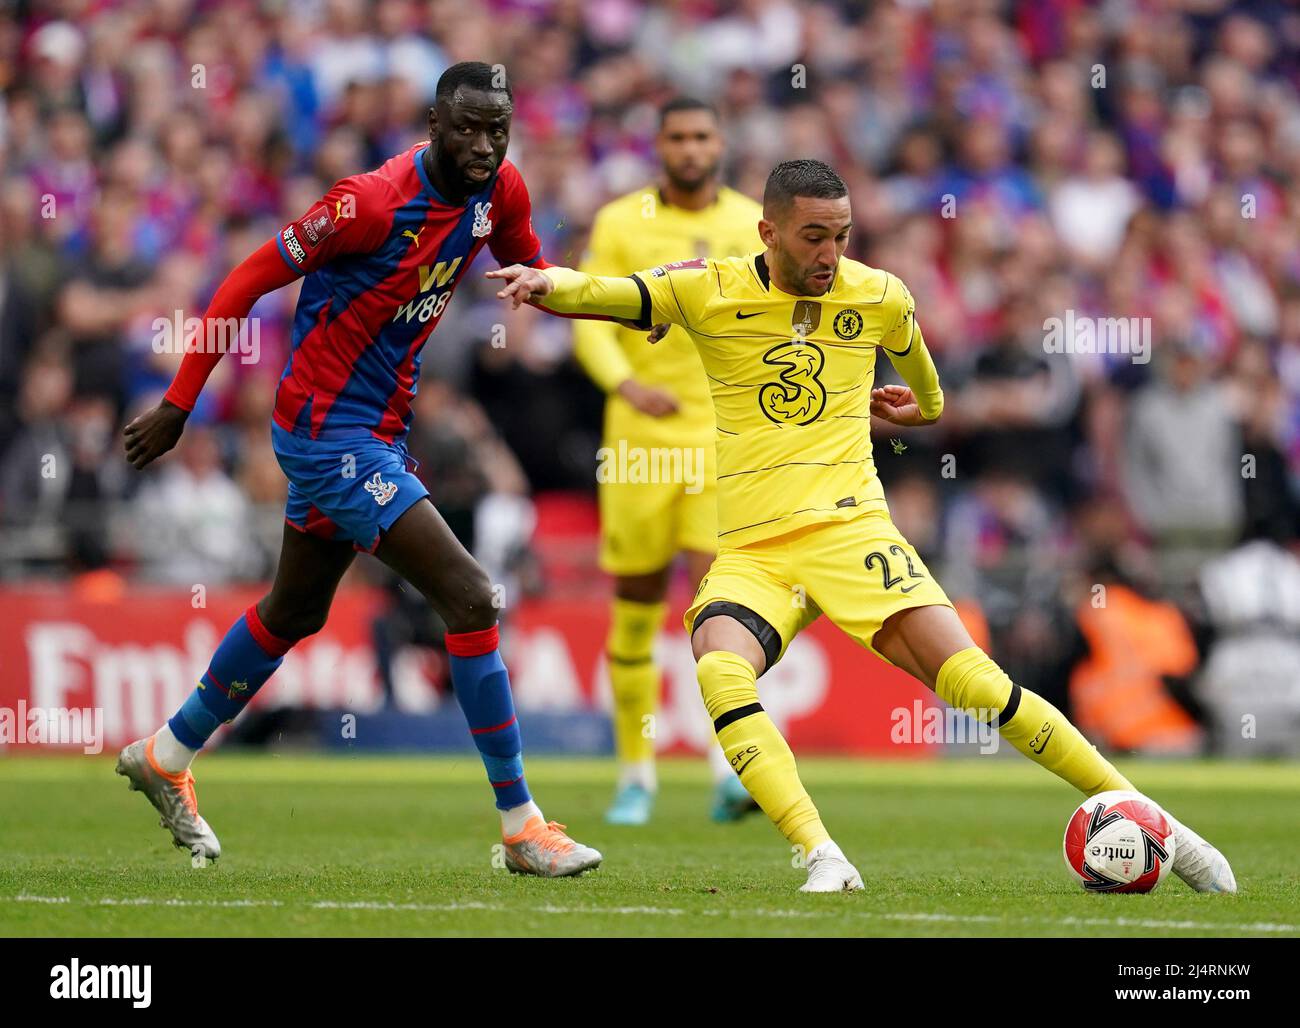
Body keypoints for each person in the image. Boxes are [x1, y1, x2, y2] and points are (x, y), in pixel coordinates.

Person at [487, 158, 1237, 894]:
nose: (830, 254)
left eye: (841, 235)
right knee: (718, 666)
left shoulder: (878, 295)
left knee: (977, 683)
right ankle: (824, 857)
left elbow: (930, 383)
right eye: (813, 236)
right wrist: (542, 281)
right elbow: (606, 293)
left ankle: (1163, 824)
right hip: (754, 550)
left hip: (853, 533)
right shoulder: (706, 290)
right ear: (768, 231)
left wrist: (926, 408)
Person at [117, 62, 601, 878]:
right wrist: (180, 400)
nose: (485, 144)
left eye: (499, 127)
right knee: (473, 596)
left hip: (376, 429)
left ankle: (166, 754)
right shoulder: (367, 203)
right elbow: (245, 280)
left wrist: (635, 305)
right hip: (323, 430)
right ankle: (522, 826)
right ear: (434, 121)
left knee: (293, 612)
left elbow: (533, 280)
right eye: (469, 127)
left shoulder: (502, 191)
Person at [573, 96, 763, 825]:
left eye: (702, 136)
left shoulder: (752, 222)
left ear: (721, 142)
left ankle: (728, 772)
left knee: (717, 607)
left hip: (719, 445)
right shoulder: (623, 221)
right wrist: (625, 382)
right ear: (659, 145)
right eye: (677, 137)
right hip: (637, 447)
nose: (689, 148)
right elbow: (590, 319)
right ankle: (636, 776)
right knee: (636, 610)